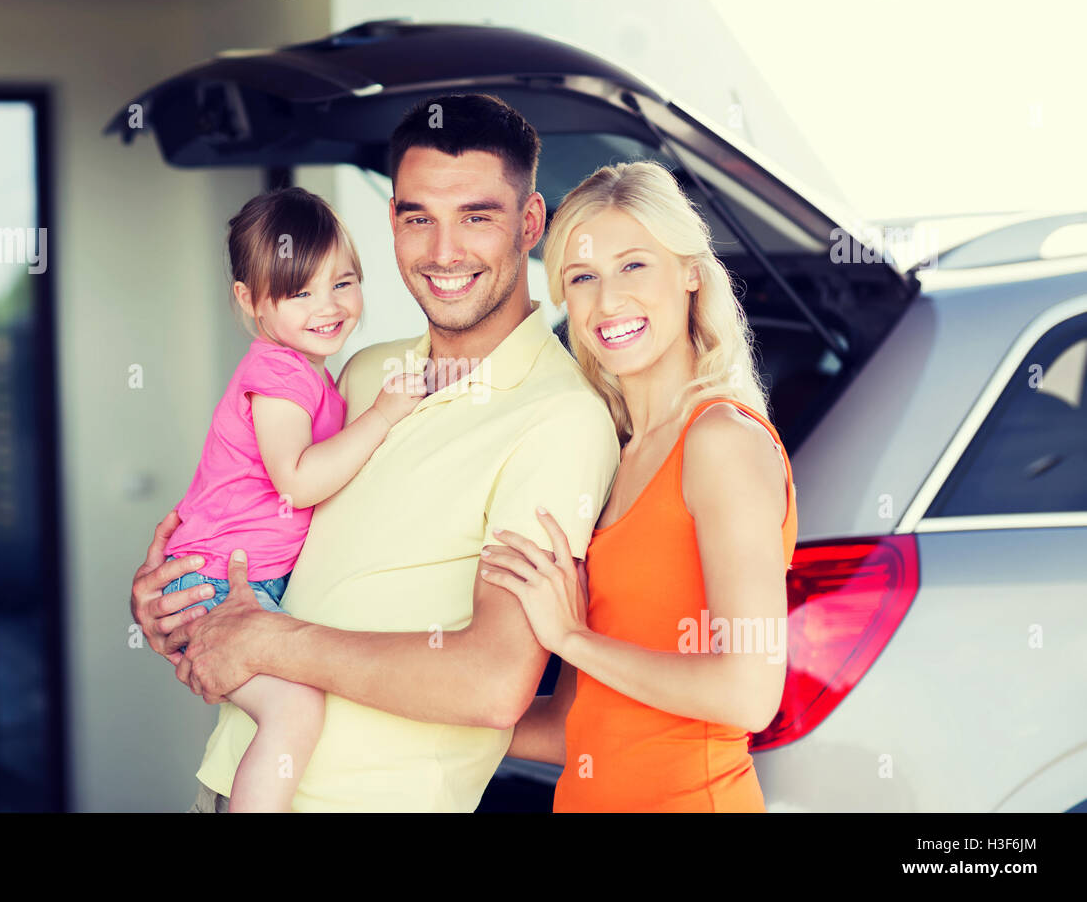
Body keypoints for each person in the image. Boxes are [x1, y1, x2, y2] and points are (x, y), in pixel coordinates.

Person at [130, 93, 620, 812]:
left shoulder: (560, 419)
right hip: (233, 786)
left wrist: (266, 643)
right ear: (391, 221)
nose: (444, 252)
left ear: (531, 224)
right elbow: (273, 546)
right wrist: (182, 605)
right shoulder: (362, 375)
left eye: (476, 217)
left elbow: (492, 683)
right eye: (419, 217)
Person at [483, 161, 796, 811]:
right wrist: (390, 704)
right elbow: (577, 726)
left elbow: (749, 693)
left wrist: (571, 639)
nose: (609, 300)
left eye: (633, 266)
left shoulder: (721, 443)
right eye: (583, 277)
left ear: (689, 272)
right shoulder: (611, 461)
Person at [159, 187, 424, 811]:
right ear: (249, 300)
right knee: (295, 707)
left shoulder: (308, 371)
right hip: (215, 583)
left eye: (344, 282)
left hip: (240, 580)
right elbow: (299, 480)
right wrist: (384, 415)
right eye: (299, 292)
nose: (327, 307)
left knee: (295, 705)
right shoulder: (277, 376)